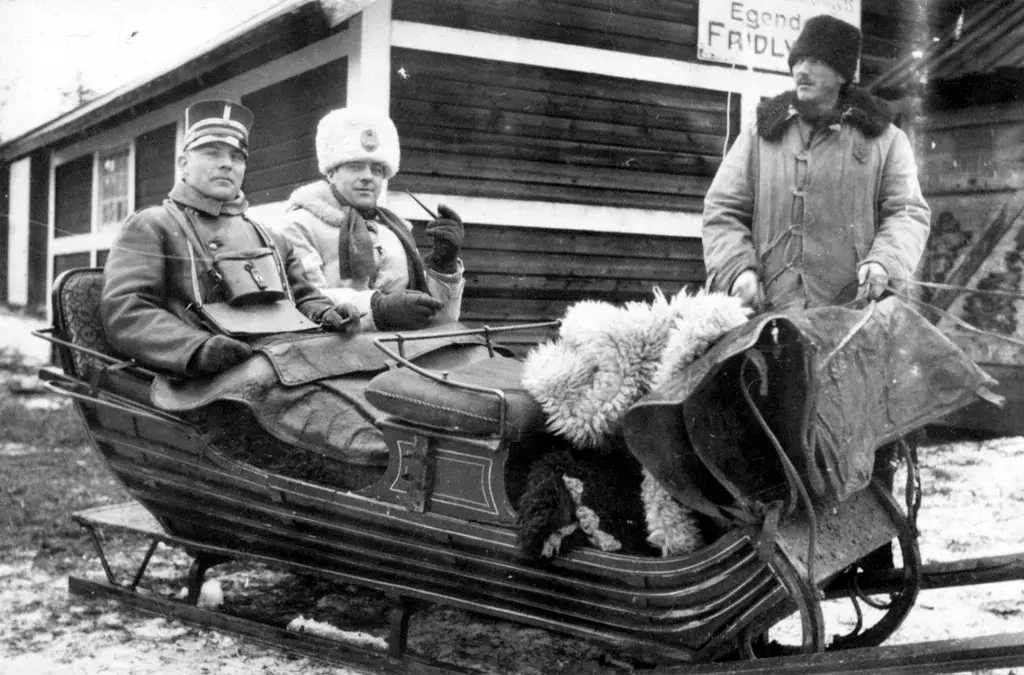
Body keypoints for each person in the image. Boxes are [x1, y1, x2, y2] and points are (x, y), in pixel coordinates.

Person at [101, 100, 359, 377]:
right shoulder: (153, 225)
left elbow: (303, 298)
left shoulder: (269, 237)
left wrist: (325, 313)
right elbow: (127, 311)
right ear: (184, 164)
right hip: (201, 375)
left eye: (237, 157)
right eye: (213, 153)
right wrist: (196, 348)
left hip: (282, 360)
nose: (227, 164)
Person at [702, 14, 931, 312]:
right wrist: (737, 270)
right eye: (797, 61)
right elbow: (722, 210)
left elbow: (907, 212)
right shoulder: (760, 135)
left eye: (815, 61)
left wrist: (884, 261)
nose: (802, 70)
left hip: (851, 318)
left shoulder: (885, 140)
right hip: (768, 317)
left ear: (841, 74)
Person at [275, 107, 465, 332]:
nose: (367, 177)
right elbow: (306, 300)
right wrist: (378, 309)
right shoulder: (299, 224)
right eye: (356, 167)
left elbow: (440, 316)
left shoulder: (395, 230)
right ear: (331, 172)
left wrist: (444, 268)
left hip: (403, 351)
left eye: (376, 170)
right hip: (335, 354)